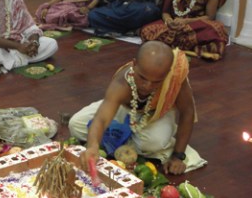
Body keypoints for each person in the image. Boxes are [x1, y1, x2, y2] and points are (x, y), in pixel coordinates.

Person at [69, 41, 205, 175]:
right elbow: (102, 119)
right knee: (76, 125)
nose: (147, 86)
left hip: (157, 112)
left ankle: (126, 137)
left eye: (156, 82)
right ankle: (129, 136)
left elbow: (187, 111)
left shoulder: (174, 77)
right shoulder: (122, 82)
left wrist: (177, 156)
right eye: (143, 78)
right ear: (134, 64)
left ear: (167, 73)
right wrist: (93, 147)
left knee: (152, 143)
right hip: (123, 108)